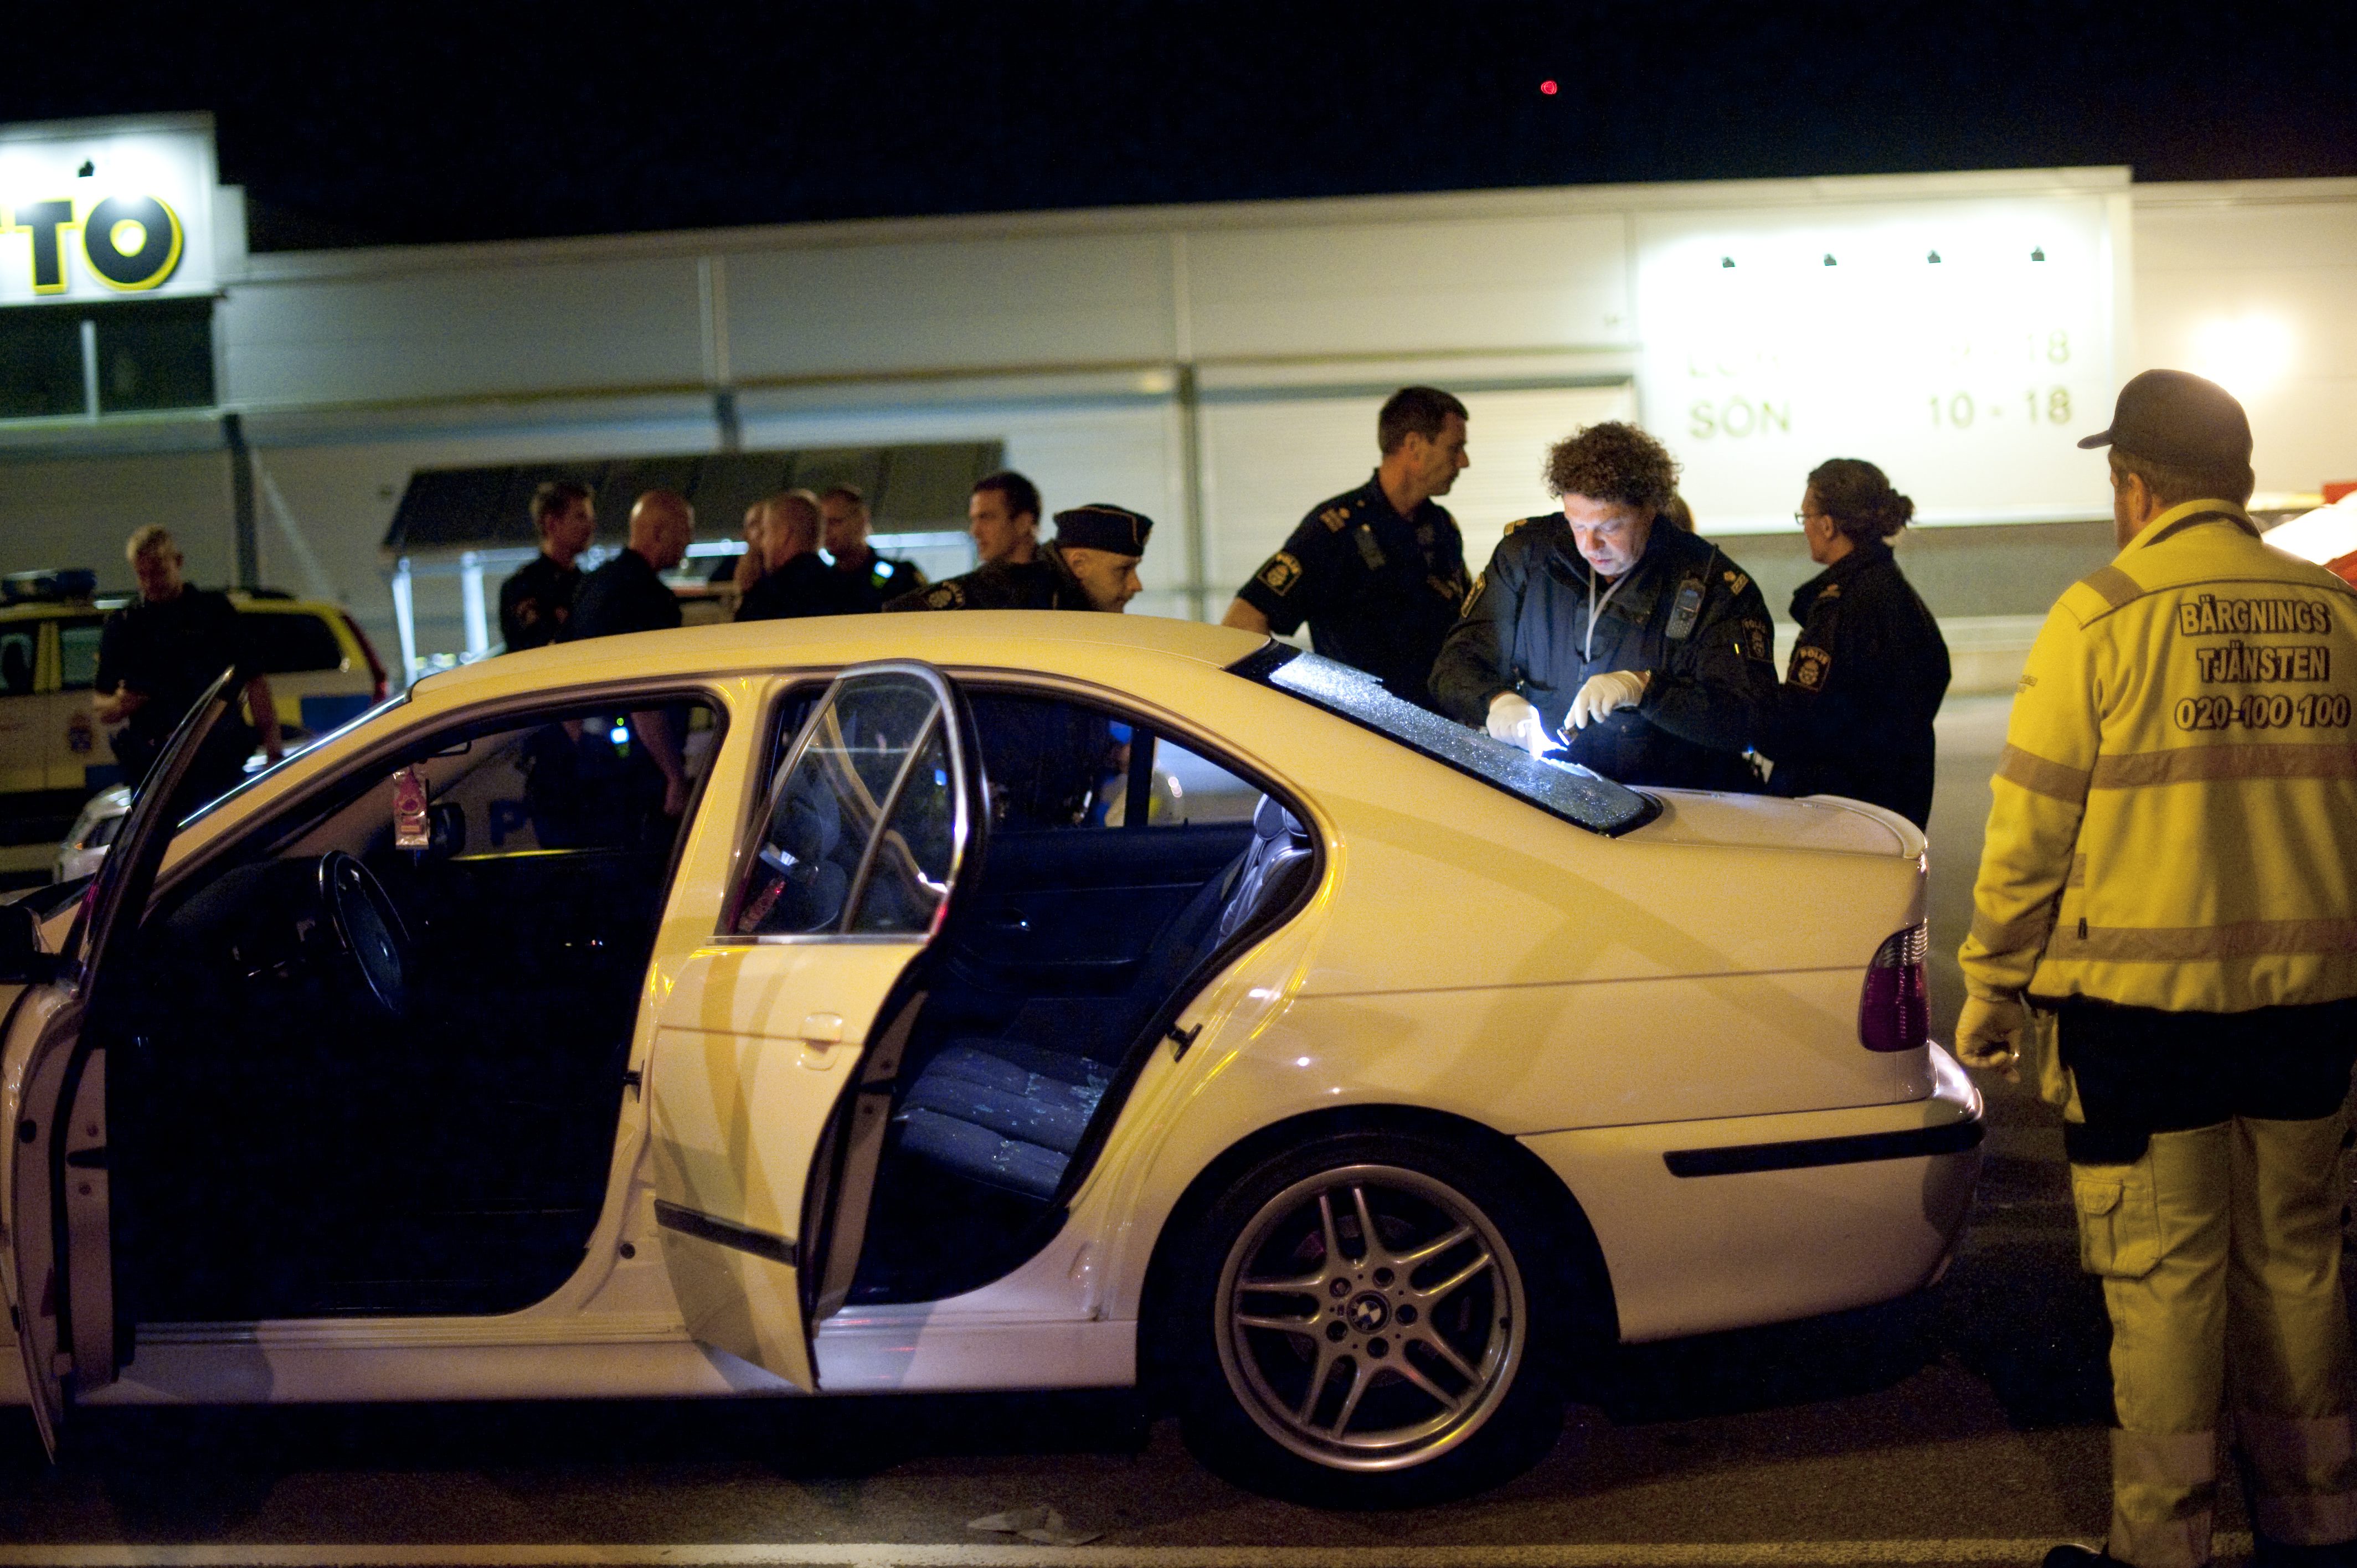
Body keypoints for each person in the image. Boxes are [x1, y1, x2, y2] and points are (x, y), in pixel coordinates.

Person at [1953, 371, 2357, 1568]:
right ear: (2232, 484)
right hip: (2311, 1016)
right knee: (2297, 1265)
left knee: (2166, 1282)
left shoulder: (2100, 613)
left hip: (2144, 1026)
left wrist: (1991, 985)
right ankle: (2320, 1526)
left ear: (2132, 486)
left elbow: (2029, 830)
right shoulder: (2331, 612)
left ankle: (2161, 1548)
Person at [1429, 421, 1776, 791]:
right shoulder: (1529, 557)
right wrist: (1496, 701)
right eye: (1577, 524)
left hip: (1669, 805)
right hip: (1545, 794)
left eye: (1610, 528)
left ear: (1651, 509)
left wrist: (1647, 689)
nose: (1590, 545)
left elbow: (1752, 722)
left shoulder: (1713, 586)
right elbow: (1453, 665)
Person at [1222, 386, 1473, 710]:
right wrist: (1286, 705)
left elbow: (1465, 623)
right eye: (1455, 448)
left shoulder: (1441, 527)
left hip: (1438, 730)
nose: (1464, 462)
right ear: (1413, 446)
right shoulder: (1334, 530)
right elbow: (1243, 620)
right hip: (1363, 735)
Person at [1756, 459, 1950, 828]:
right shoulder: (1899, 594)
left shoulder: (1843, 606)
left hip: (1838, 815)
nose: (1806, 528)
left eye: (1805, 517)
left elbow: (1802, 720)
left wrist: (1748, 721)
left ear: (1828, 525)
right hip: (1893, 807)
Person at [94, 525, 282, 802]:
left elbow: (254, 681)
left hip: (216, 759)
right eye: (141, 574)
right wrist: (123, 704)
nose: (149, 583)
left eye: (158, 571)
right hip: (156, 767)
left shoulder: (213, 613)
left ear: (178, 561)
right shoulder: (125, 625)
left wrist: (274, 751)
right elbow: (101, 705)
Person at [563, 489, 693, 818]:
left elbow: (561, 667)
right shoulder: (652, 599)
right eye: (685, 531)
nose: (688, 542)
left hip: (591, 762)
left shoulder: (592, 585)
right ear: (659, 532)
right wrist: (674, 776)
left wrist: (584, 742)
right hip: (641, 771)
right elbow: (646, 701)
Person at [887, 503, 1150, 614]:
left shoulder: (1066, 606)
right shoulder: (1011, 594)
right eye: (1123, 570)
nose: (1136, 585)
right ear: (1079, 565)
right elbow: (899, 618)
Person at [737, 491, 867, 621]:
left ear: (784, 534)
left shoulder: (768, 598)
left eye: (766, 533)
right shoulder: (849, 590)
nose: (763, 544)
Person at [498, 479, 595, 652]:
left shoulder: (588, 584)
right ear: (552, 523)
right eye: (580, 517)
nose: (590, 527)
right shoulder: (523, 588)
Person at [820, 483, 925, 610]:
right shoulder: (819, 584)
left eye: (835, 522)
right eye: (822, 524)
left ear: (861, 521)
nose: (826, 531)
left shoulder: (900, 577)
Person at [966, 470, 1044, 567]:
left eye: (986, 518)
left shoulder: (1063, 576)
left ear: (1023, 523)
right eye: (974, 520)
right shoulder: (966, 582)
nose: (974, 532)